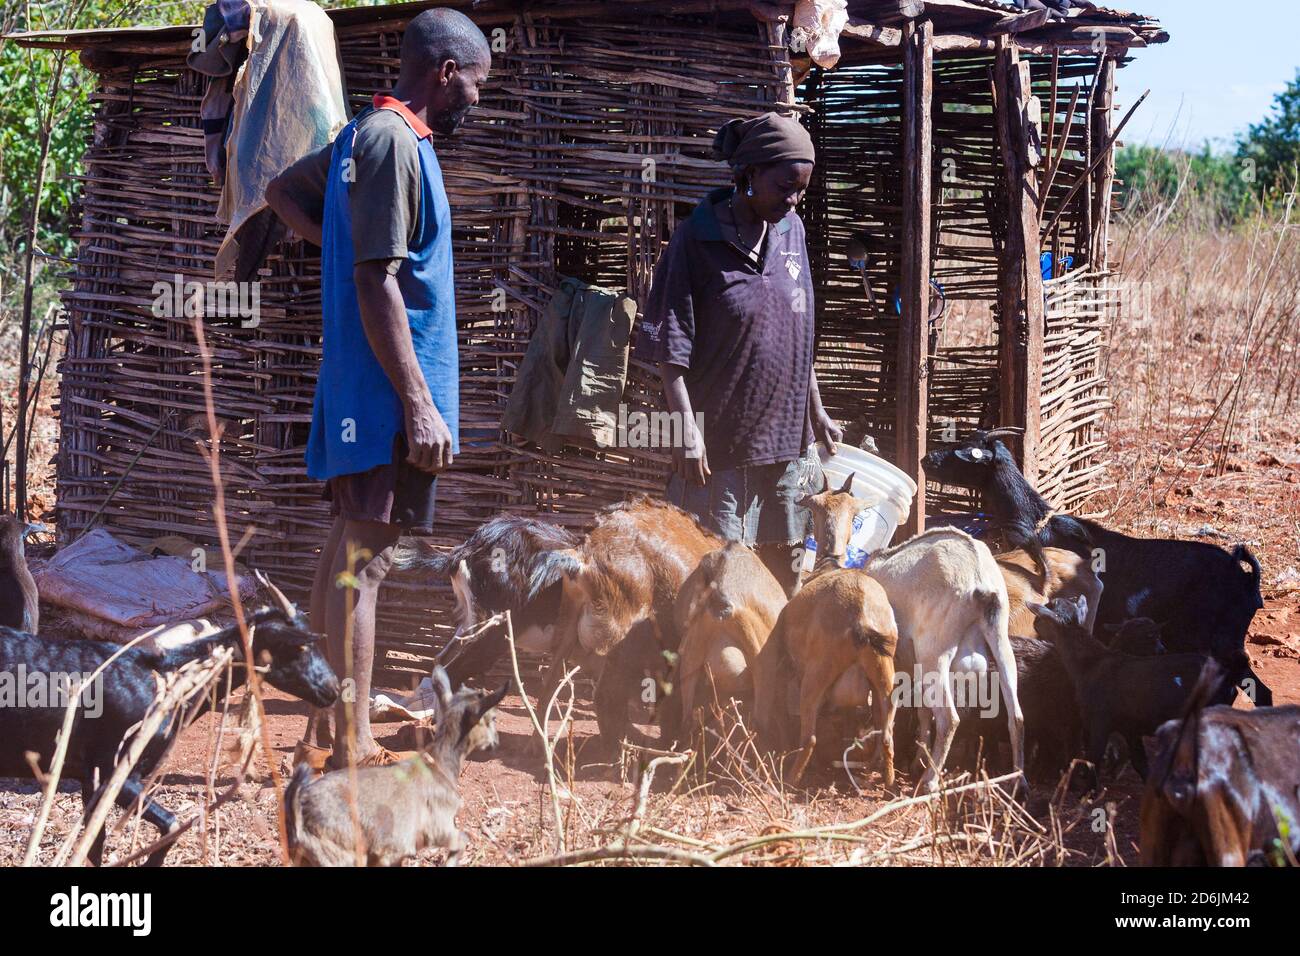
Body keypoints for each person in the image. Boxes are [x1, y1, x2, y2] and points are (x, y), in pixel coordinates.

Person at [265, 8, 491, 767]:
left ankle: (334, 724)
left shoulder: (365, 138)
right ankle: (352, 736)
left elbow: (281, 191)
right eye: (477, 87)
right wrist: (420, 402)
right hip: (385, 392)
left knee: (346, 551)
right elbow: (377, 280)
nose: (478, 104)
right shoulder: (394, 143)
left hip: (361, 389)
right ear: (446, 72)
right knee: (367, 562)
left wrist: (340, 242)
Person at [636, 111, 842, 594]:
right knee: (718, 583)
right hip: (720, 446)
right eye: (785, 186)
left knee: (785, 577)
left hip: (787, 443)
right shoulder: (697, 239)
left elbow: (800, 330)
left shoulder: (793, 232)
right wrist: (686, 430)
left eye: (802, 190)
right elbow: (670, 345)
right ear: (748, 174)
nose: (793, 200)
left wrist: (817, 410)